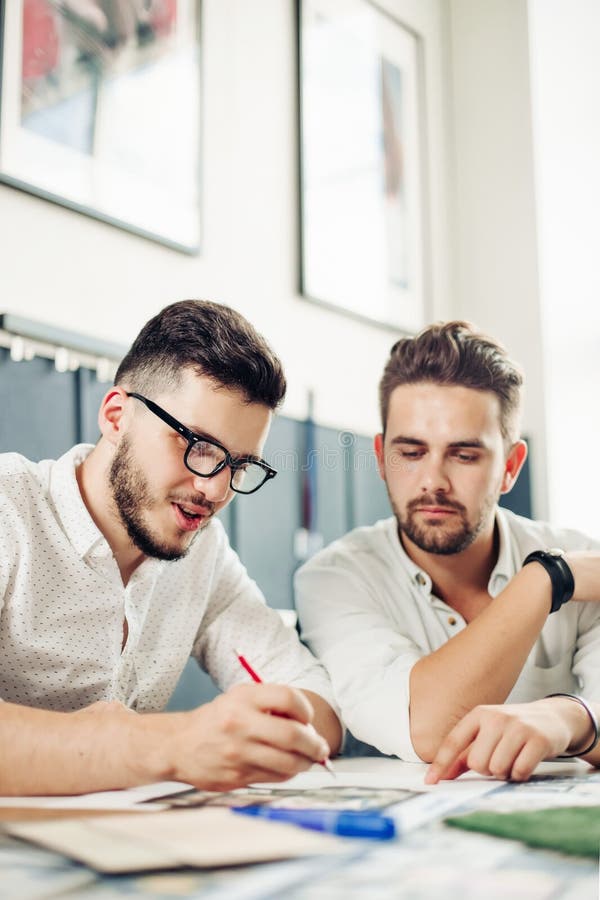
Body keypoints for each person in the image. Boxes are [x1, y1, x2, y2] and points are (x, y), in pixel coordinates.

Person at [0, 299, 341, 795]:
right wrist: (172, 744)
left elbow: (317, 702)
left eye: (240, 465)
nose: (216, 491)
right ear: (117, 416)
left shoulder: (203, 553)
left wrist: (279, 722)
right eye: (199, 447)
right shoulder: (8, 509)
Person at [296, 321, 600, 782]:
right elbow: (430, 728)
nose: (433, 481)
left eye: (464, 455)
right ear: (380, 458)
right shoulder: (334, 579)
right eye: (412, 452)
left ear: (510, 467)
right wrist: (546, 579)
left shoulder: (583, 555)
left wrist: (570, 719)